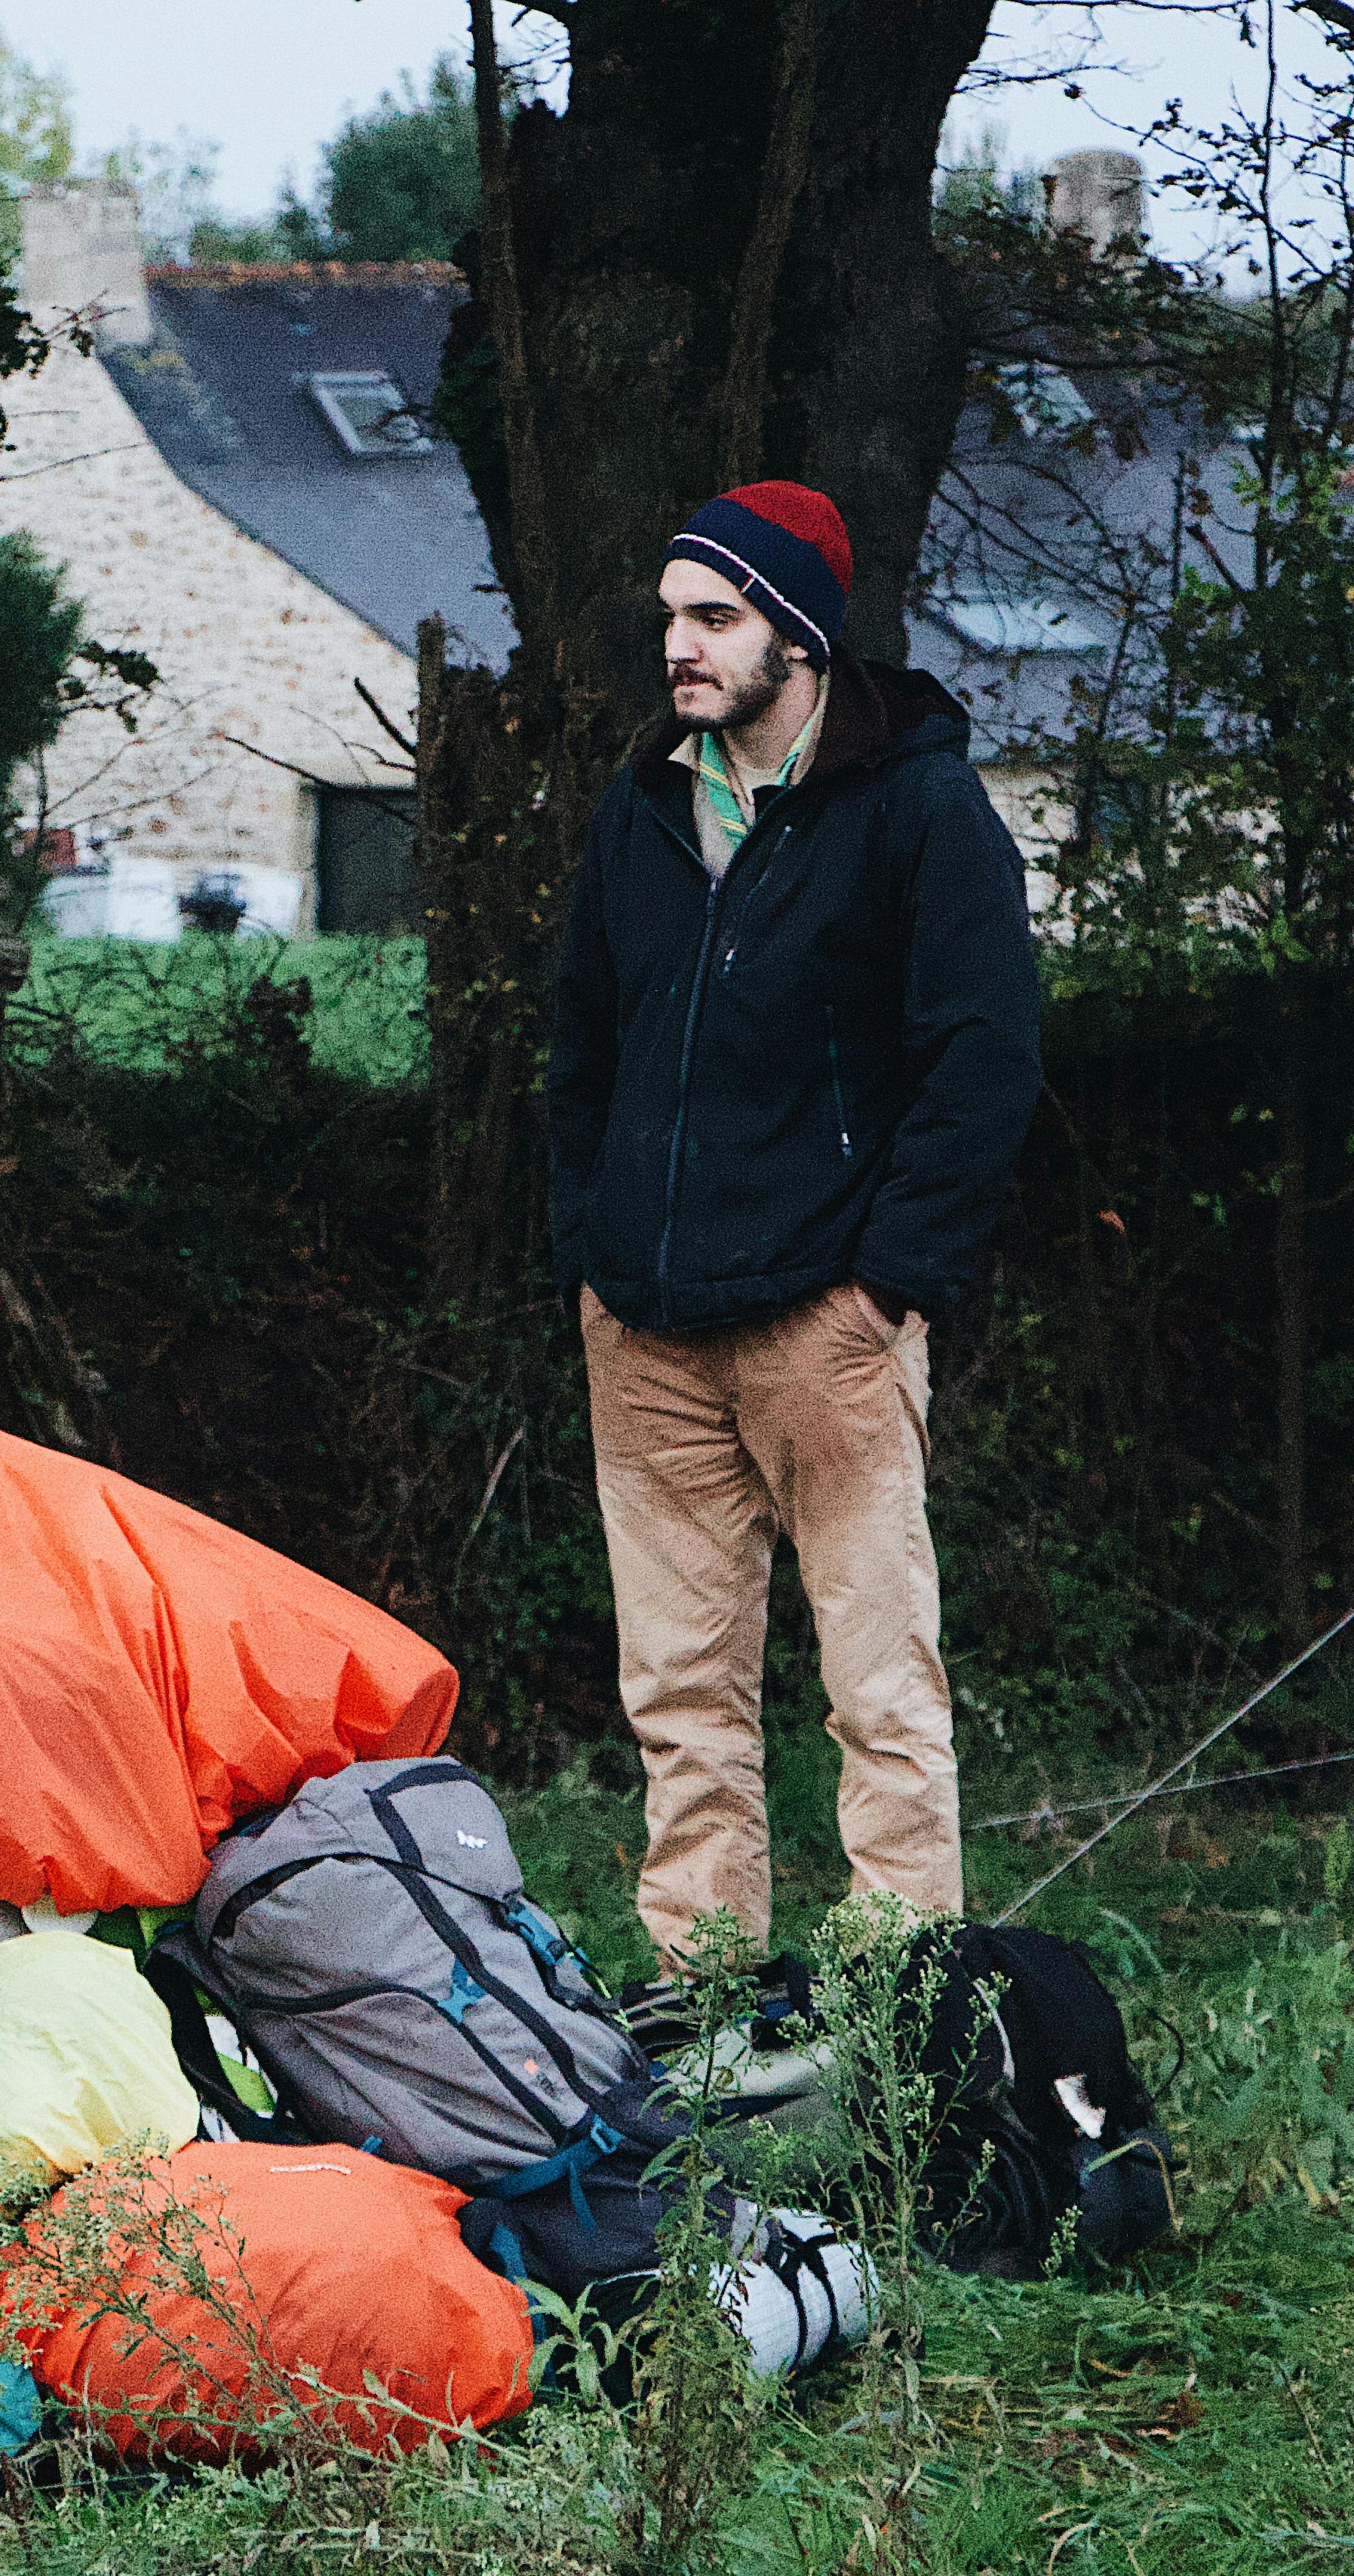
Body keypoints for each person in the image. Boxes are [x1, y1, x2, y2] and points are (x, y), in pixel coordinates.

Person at [543, 479, 1042, 1970]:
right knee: (680, 1699)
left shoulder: (919, 807)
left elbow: (984, 1059)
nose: (682, 650)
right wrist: (596, 1245)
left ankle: (899, 2008)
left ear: (800, 639)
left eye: (717, 617)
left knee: (881, 1691)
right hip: (644, 1325)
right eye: (672, 622)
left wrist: (888, 1283)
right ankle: (710, 2019)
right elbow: (583, 1051)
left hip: (826, 1322)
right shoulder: (646, 806)